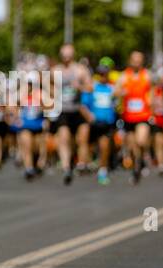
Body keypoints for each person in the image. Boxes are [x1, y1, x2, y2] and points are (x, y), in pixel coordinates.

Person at [54, 44, 93, 185]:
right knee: (63, 138)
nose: (66, 58)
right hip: (63, 110)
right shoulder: (56, 70)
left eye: (68, 56)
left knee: (81, 139)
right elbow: (48, 88)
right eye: (64, 56)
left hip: (78, 109)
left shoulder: (80, 70)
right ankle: (66, 167)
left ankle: (81, 163)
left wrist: (80, 87)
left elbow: (90, 87)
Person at [117, 51, 156, 184]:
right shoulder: (123, 76)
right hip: (128, 116)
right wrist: (121, 93)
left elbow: (152, 90)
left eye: (139, 60)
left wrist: (151, 102)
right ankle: (138, 165)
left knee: (140, 141)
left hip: (143, 115)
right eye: (134, 60)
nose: (137, 62)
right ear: (130, 61)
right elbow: (115, 92)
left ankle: (143, 157)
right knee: (132, 145)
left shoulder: (147, 75)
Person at [83, 65, 120, 184]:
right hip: (94, 123)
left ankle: (102, 170)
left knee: (105, 146)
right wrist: (89, 116)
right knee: (89, 146)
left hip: (106, 123)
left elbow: (117, 104)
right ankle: (87, 164)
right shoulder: (92, 87)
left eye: (105, 74)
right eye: (101, 74)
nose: (103, 76)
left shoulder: (112, 88)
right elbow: (83, 105)